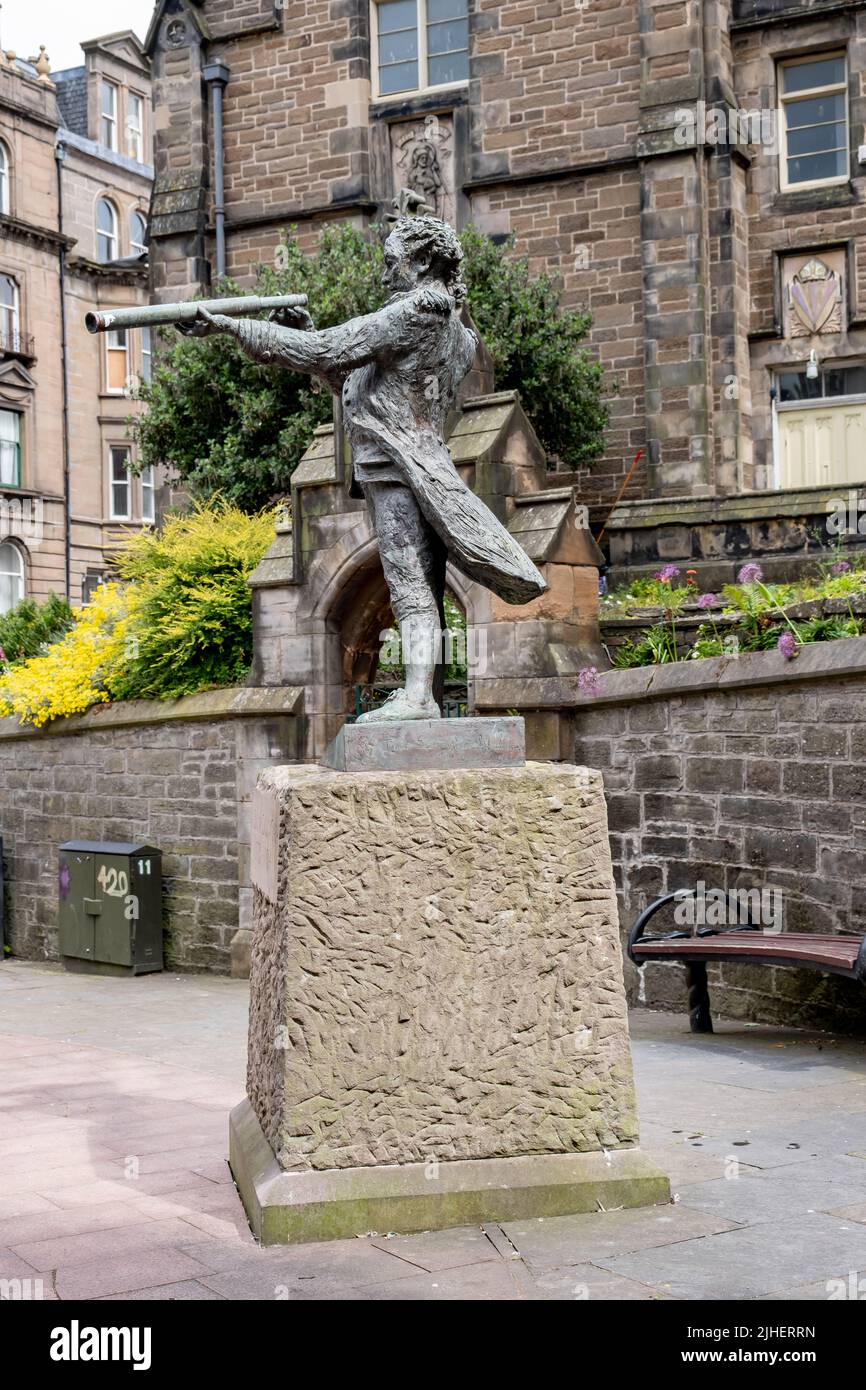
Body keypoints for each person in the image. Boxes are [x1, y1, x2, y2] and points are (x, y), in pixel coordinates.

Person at [181, 216, 546, 722]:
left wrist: (231, 326)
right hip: (420, 463)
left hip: (393, 465)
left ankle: (418, 699)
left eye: (392, 259)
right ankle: (427, 696)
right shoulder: (458, 334)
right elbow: (362, 385)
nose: (384, 270)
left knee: (409, 584)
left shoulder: (412, 314)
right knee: (422, 585)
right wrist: (302, 335)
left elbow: (325, 352)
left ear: (421, 262)